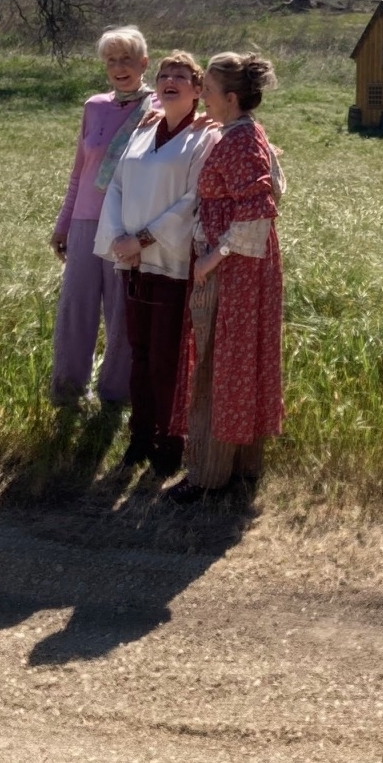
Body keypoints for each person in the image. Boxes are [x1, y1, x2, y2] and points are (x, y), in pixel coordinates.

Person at [95, 51, 217, 476]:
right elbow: (116, 186)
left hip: (169, 261)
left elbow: (193, 201)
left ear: (198, 91)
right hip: (130, 262)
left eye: (181, 77)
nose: (170, 81)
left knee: (168, 356)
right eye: (165, 74)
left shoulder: (205, 137)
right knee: (139, 354)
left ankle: (171, 441)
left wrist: (143, 239)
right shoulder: (143, 132)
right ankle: (139, 437)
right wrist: (117, 240)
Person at [170, 52, 284, 501]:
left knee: (217, 365)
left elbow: (257, 209)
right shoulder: (247, 134)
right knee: (242, 360)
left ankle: (207, 475)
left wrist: (209, 260)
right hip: (250, 268)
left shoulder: (238, 141)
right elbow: (272, 189)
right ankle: (241, 467)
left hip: (233, 272)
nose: (204, 100)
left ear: (231, 98)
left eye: (211, 93)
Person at [49, 27, 155, 407]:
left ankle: (116, 396)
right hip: (83, 222)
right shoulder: (94, 106)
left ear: (144, 63)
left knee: (122, 313)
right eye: (111, 60)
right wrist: (63, 223)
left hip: (125, 225)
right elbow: (80, 171)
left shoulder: (159, 109)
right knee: (75, 308)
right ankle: (67, 392)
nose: (118, 67)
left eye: (126, 59)